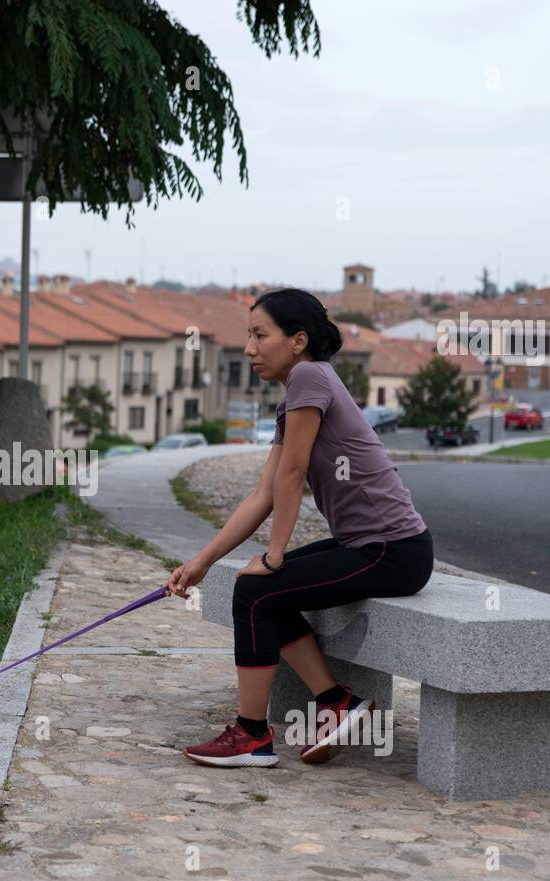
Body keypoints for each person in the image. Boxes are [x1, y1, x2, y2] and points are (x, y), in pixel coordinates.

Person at [167, 288, 433, 769]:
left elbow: (292, 476)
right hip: (379, 547)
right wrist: (201, 563)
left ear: (298, 340)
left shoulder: (310, 375)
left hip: (392, 550)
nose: (249, 348)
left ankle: (251, 735)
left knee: (257, 591)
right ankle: (337, 703)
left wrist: (274, 556)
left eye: (259, 335)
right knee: (260, 588)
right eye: (248, 336)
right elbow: (263, 495)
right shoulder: (297, 394)